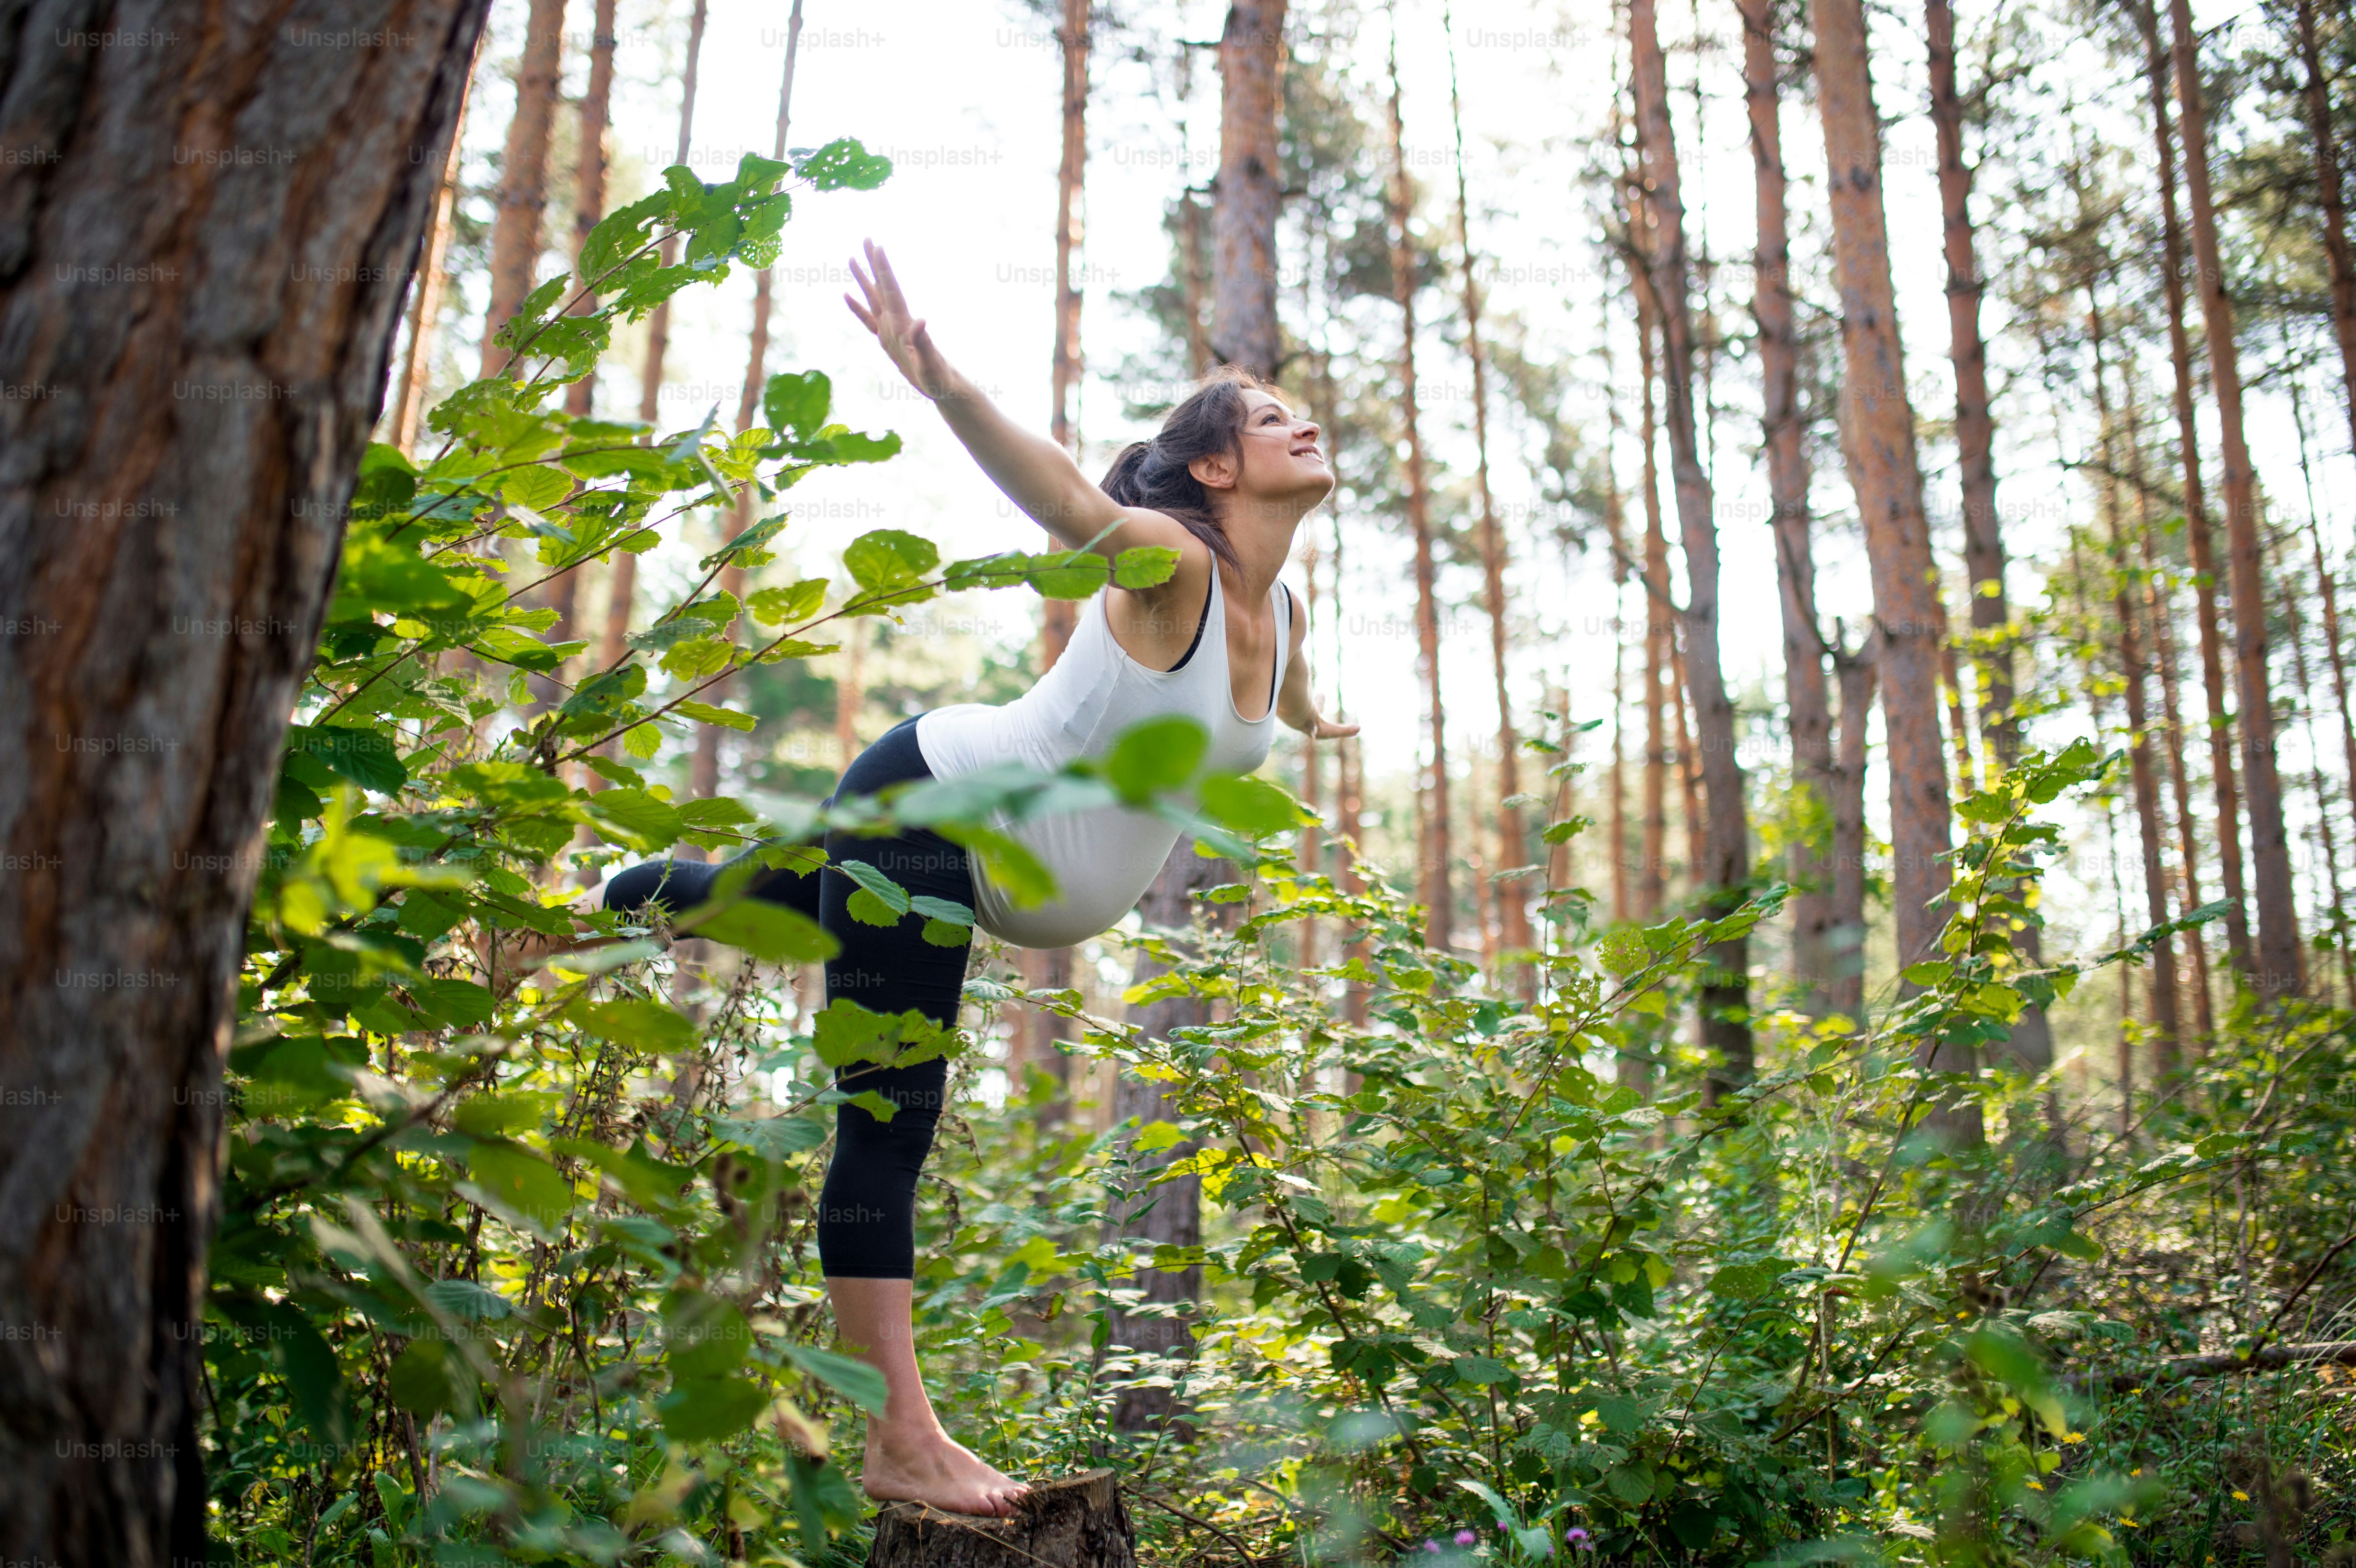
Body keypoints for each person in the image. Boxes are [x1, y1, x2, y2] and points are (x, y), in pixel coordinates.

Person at [602, 241, 1356, 1517]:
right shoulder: (1167, 561)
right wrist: (942, 381)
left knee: (744, 898)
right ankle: (900, 1440)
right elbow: (1063, 498)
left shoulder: (1278, 614)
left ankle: (588, 908)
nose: (1305, 422)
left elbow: (1270, 691)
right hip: (931, 809)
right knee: (889, 1118)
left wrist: (1313, 718)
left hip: (967, 847)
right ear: (1215, 468)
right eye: (1271, 417)